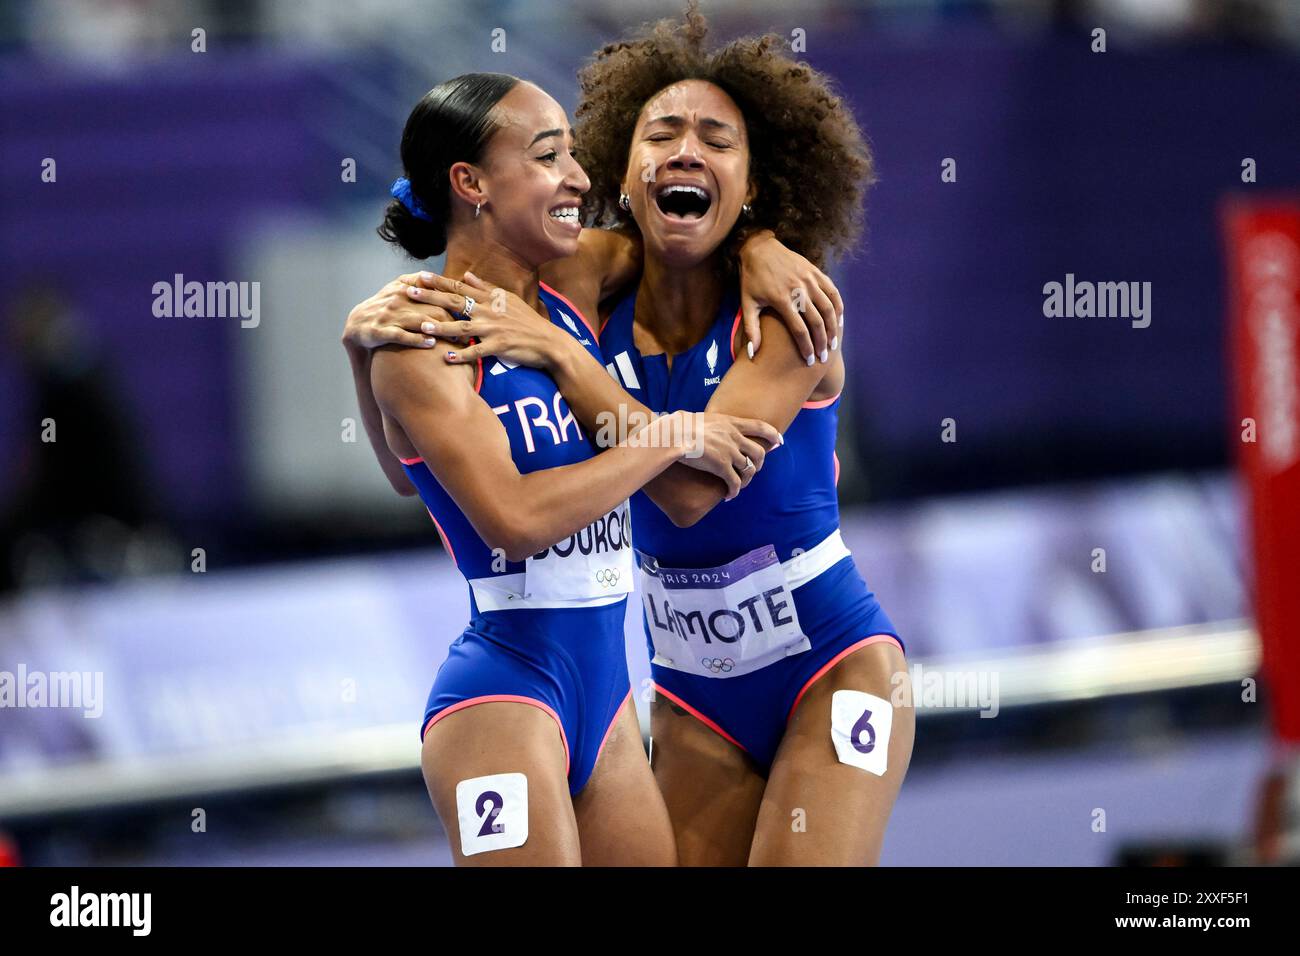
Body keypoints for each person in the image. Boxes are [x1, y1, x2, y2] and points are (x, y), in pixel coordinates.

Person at [366, 8, 916, 866]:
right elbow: (477, 258)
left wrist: (760, 245)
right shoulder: (586, 277)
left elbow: (692, 492)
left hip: (832, 661)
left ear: (755, 184)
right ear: (625, 179)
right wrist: (362, 337)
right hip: (688, 687)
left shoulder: (784, 310)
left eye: (718, 140)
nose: (687, 150)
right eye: (663, 133)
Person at [352, 71, 784, 866]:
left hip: (611, 706)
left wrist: (763, 247)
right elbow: (511, 518)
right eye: (549, 156)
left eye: (576, 154)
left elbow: (694, 232)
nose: (580, 178)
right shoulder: (423, 340)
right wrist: (670, 435)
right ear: (470, 183)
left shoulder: (572, 297)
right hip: (503, 699)